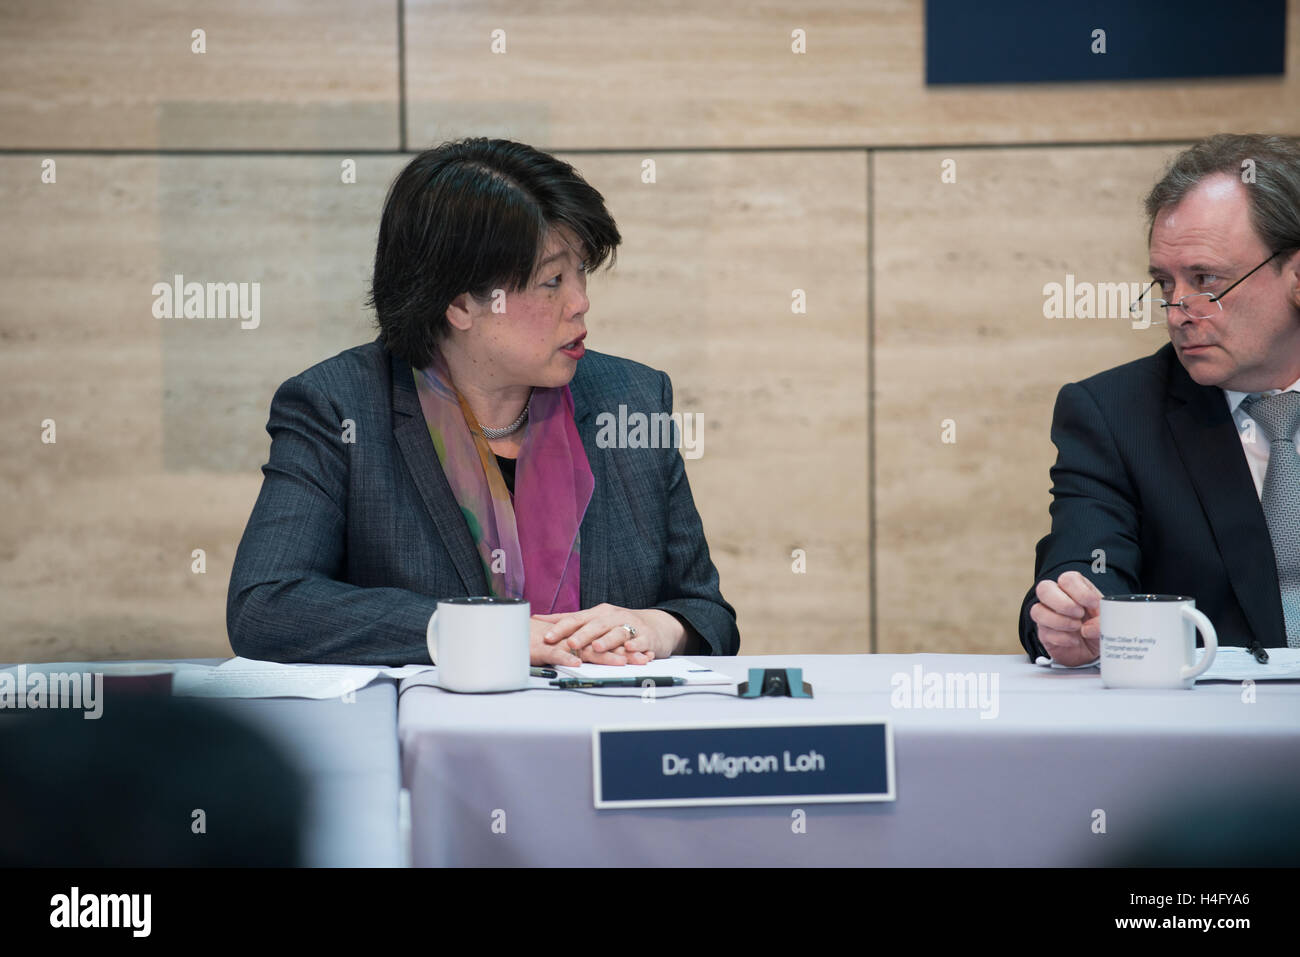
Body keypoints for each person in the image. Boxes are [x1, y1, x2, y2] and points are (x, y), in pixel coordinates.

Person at [227, 138, 739, 667]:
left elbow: (705, 612)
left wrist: (657, 627)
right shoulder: (338, 407)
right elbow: (265, 605)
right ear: (459, 304)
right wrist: (478, 634)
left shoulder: (630, 401)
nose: (581, 301)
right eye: (552, 281)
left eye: (583, 271)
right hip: (432, 739)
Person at [1021, 134, 1300, 665]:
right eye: (1164, 284)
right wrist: (1069, 617)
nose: (1177, 311)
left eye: (1205, 280)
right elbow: (1084, 566)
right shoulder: (1117, 414)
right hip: (1209, 733)